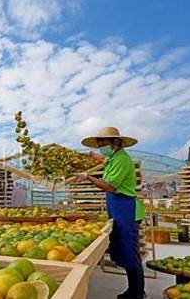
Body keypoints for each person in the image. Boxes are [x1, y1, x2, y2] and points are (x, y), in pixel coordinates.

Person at [76, 127, 146, 299]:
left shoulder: (122, 159)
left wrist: (88, 177)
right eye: (99, 144)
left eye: (103, 143)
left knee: (131, 252)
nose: (101, 146)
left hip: (127, 209)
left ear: (115, 142)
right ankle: (133, 290)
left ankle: (137, 292)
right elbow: (106, 161)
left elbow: (110, 186)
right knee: (124, 249)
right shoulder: (114, 158)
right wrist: (93, 156)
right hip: (118, 208)